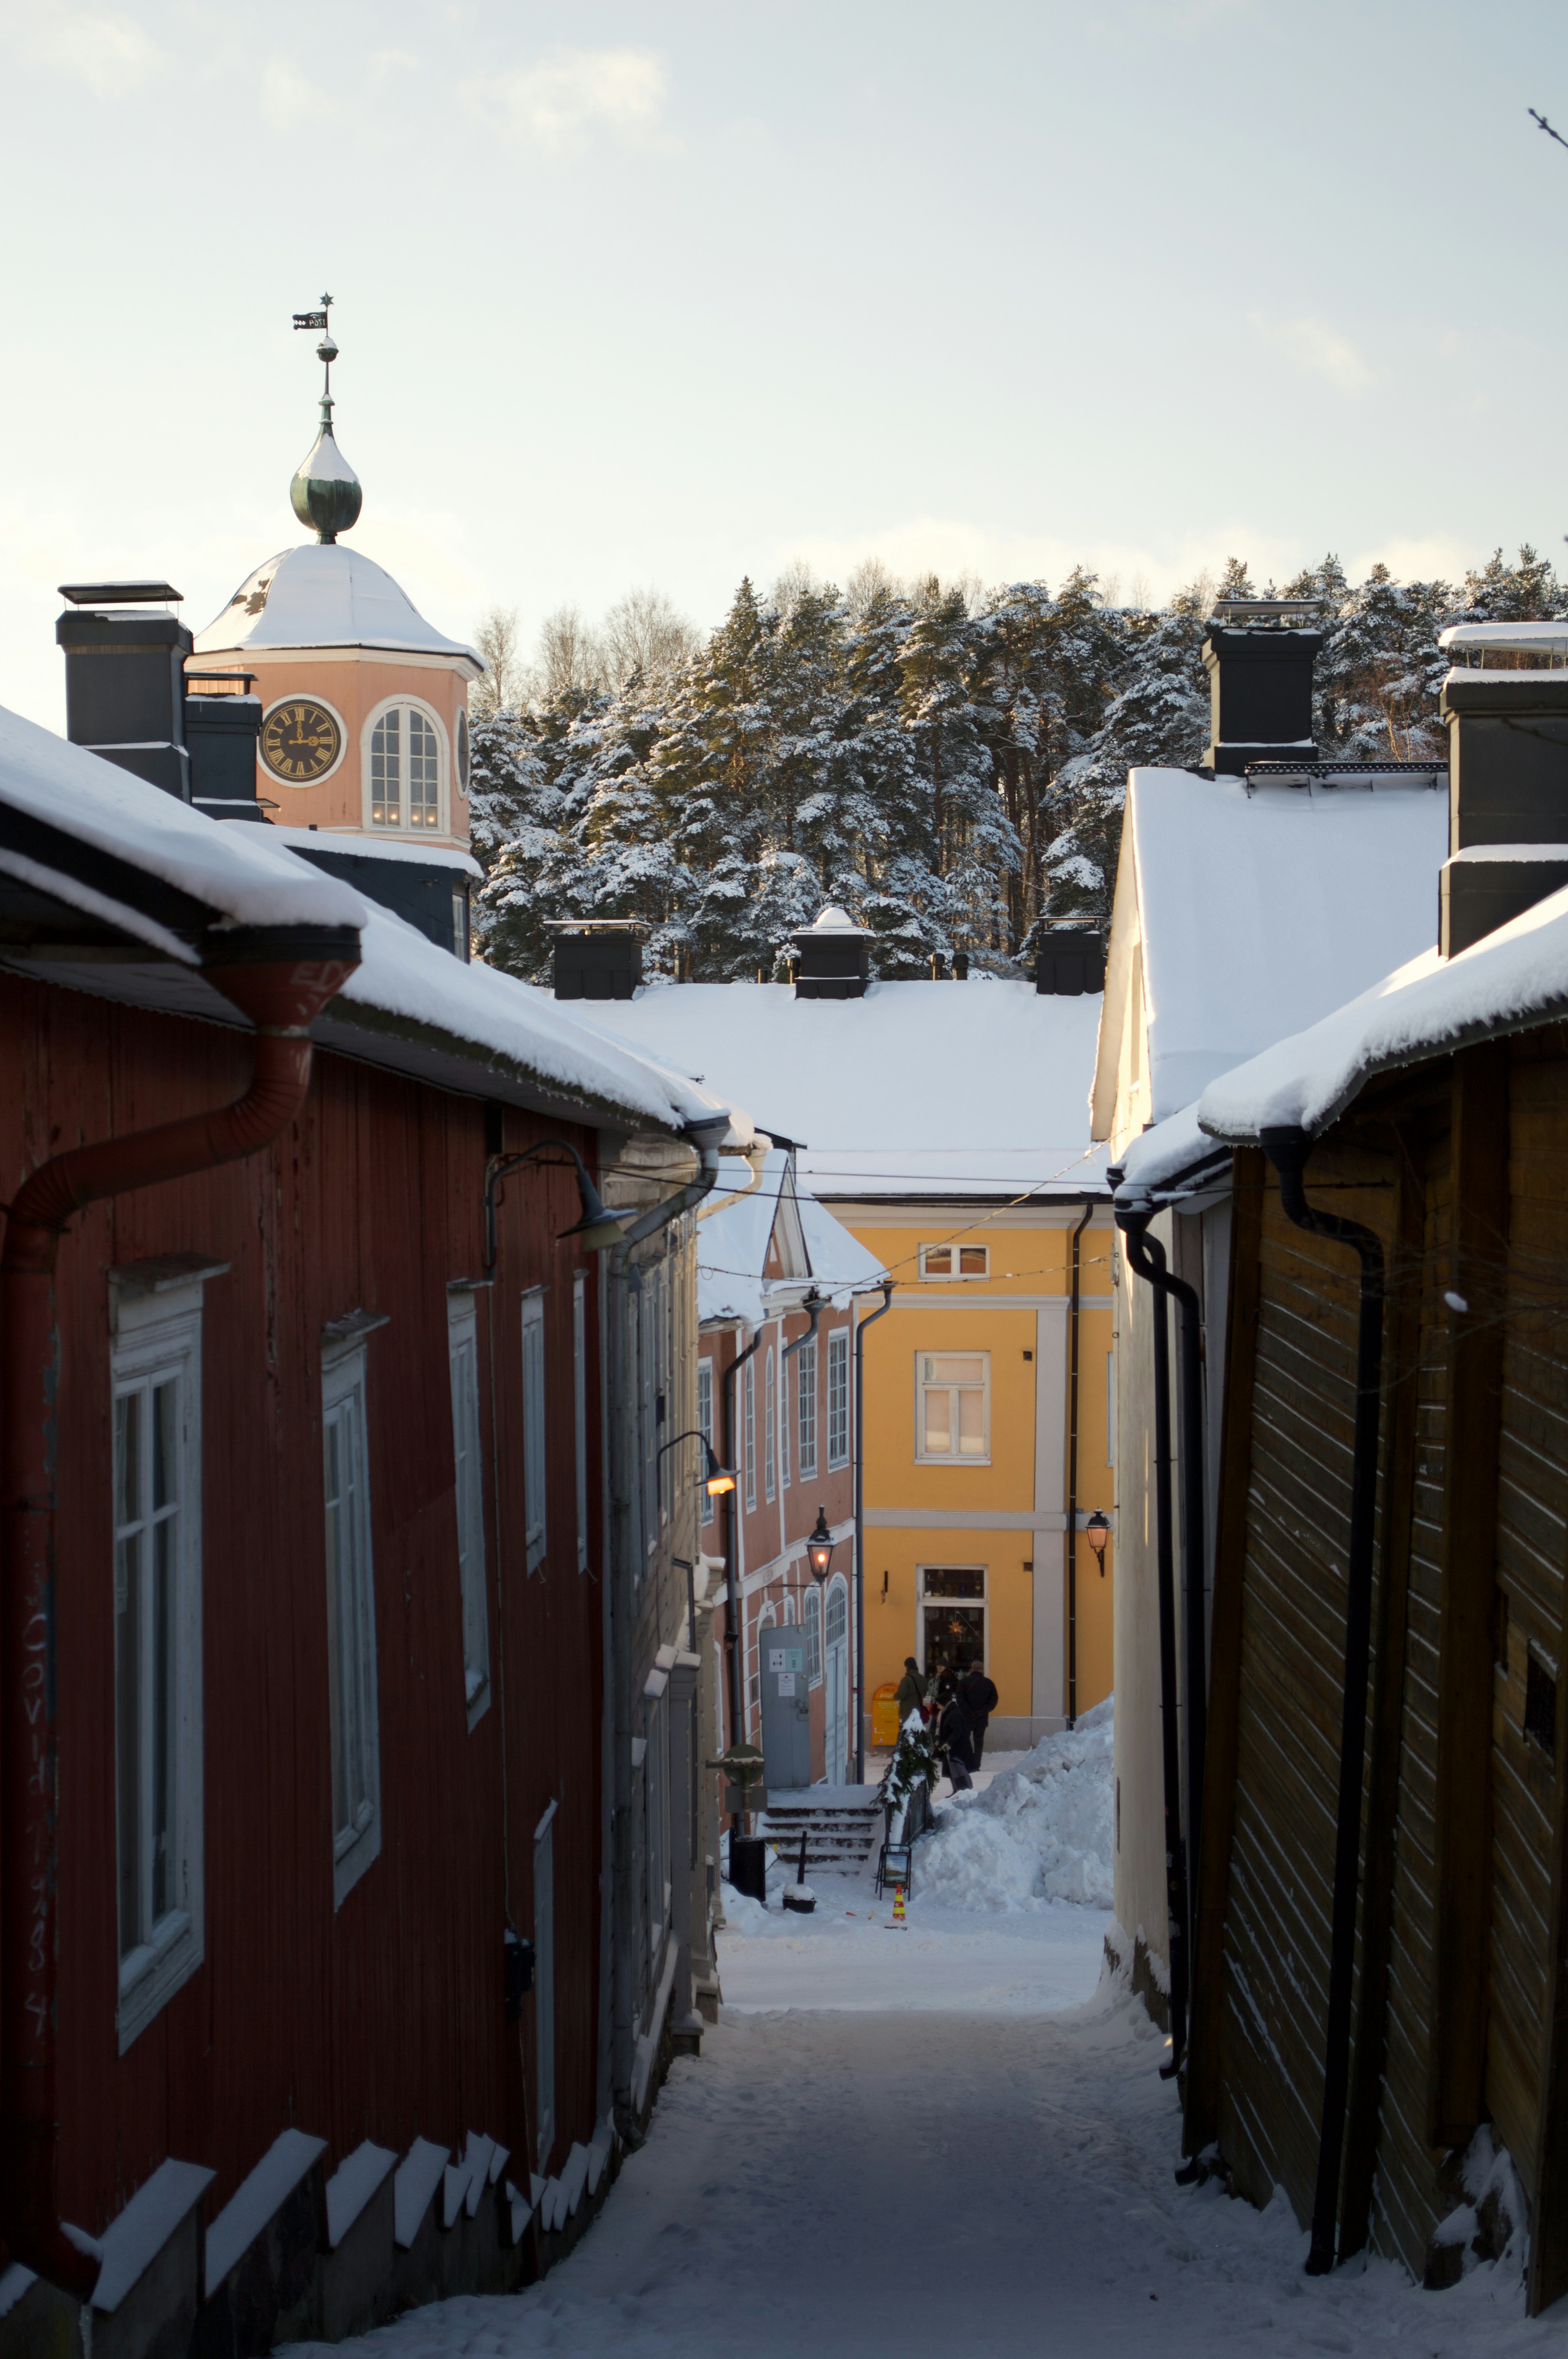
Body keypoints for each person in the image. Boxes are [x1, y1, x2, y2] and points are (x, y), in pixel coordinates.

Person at [936, 1683, 976, 1790]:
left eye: (939, 1705)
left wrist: (949, 1743)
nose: (938, 1707)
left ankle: (962, 1790)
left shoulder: (953, 1714)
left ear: (944, 1704)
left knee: (958, 1771)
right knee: (953, 1771)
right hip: (955, 1748)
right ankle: (957, 1790)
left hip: (958, 1749)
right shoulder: (950, 1712)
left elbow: (958, 1731)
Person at [960, 1662, 1000, 1764]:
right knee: (979, 1742)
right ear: (982, 1670)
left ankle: (966, 1761)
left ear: (972, 1669)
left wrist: (969, 1711)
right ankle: (976, 1763)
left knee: (965, 1740)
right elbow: (993, 1701)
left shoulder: (964, 1682)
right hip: (981, 1718)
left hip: (966, 1717)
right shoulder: (989, 1683)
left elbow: (960, 1700)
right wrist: (983, 1711)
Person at [893, 1655, 926, 1727]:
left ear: (907, 1667)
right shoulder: (923, 1679)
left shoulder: (906, 1680)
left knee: (906, 1732)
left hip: (907, 1711)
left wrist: (895, 1696)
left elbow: (901, 1695)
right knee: (917, 1731)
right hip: (919, 1709)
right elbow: (925, 1693)